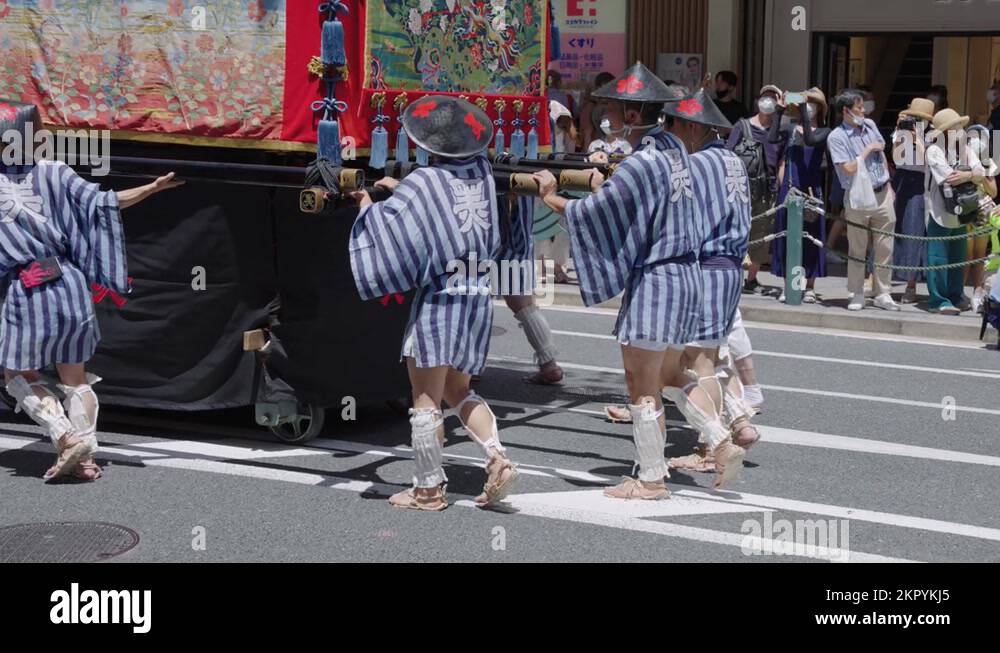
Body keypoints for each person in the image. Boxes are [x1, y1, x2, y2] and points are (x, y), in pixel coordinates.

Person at [533, 63, 744, 499]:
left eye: (612, 107)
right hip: (687, 274)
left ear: (631, 115)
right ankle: (720, 440)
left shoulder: (641, 162)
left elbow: (592, 213)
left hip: (659, 279)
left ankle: (651, 478)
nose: (606, 114)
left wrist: (551, 195)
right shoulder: (675, 152)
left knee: (640, 382)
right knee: (671, 371)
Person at [349, 96, 519, 511]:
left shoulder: (424, 183)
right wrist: (402, 188)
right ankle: (497, 457)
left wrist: (367, 204)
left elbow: (394, 224)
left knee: (425, 396)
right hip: (477, 293)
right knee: (459, 389)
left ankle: (427, 489)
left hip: (442, 298)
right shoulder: (481, 172)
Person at [0, 100, 182, 482]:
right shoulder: (56, 171)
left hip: (27, 288)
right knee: (75, 378)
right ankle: (85, 460)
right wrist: (153, 187)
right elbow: (106, 203)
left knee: (17, 373)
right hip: (68, 283)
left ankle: (66, 437)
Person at [658, 89, 757, 479]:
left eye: (674, 125)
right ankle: (739, 420)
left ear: (692, 127)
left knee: (698, 360)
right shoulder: (731, 160)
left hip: (709, 264)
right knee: (710, 356)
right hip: (731, 263)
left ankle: (709, 446)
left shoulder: (696, 164)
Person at [826, 89, 901, 312]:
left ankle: (883, 292)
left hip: (882, 190)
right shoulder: (836, 137)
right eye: (859, 107)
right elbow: (847, 168)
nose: (863, 110)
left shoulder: (870, 125)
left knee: (885, 245)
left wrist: (888, 186)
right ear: (846, 111)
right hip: (858, 194)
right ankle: (856, 292)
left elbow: (882, 150)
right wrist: (866, 150)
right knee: (857, 245)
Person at [768, 88, 832, 303]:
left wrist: (803, 110)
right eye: (806, 102)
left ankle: (811, 285)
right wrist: (778, 111)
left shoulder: (825, 131)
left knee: (812, 237)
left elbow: (812, 140)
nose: (809, 106)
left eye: (813, 103)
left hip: (811, 189)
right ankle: (790, 283)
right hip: (790, 186)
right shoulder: (791, 128)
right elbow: (772, 137)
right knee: (787, 237)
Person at [923, 108, 986, 315]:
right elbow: (949, 176)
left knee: (959, 257)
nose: (961, 130)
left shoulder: (965, 149)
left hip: (962, 212)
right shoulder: (934, 151)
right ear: (946, 131)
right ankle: (938, 300)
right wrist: (970, 174)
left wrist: (967, 175)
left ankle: (956, 295)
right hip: (939, 211)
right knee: (938, 258)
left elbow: (981, 172)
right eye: (956, 127)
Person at [727, 84, 787, 295]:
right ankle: (733, 274)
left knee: (761, 233)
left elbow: (782, 161)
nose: (768, 100)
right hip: (741, 187)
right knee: (737, 231)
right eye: (765, 96)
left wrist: (781, 188)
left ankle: (751, 279)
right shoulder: (742, 126)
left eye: (774, 97)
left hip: (767, 187)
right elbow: (728, 155)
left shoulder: (781, 131)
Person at [891, 98, 935, 304]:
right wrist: (901, 132)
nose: (916, 121)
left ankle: (911, 284)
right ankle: (878, 280)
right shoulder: (902, 130)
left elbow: (930, 161)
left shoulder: (934, 135)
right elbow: (896, 158)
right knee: (894, 230)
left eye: (921, 118)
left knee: (915, 232)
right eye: (913, 117)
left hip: (922, 183)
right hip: (902, 180)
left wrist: (918, 139)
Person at [964, 125, 998, 313]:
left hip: (984, 211)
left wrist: (982, 174)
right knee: (965, 254)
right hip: (965, 211)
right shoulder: (961, 158)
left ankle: (977, 291)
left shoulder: (988, 163)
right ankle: (959, 292)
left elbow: (993, 191)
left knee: (979, 254)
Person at [579, 71, 616, 152]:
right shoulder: (591, 106)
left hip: (607, 149)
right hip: (596, 150)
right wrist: (587, 153)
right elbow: (587, 132)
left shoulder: (610, 105)